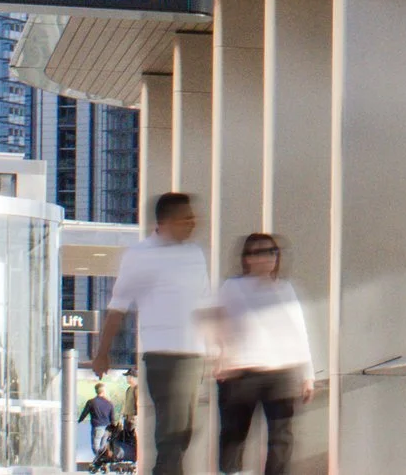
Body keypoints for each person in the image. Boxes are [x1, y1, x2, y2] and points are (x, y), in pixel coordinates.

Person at [95, 192, 210, 475]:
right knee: (171, 434)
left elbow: (204, 305)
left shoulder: (194, 254)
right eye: (187, 218)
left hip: (194, 354)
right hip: (164, 356)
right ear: (166, 221)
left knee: (183, 433)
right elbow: (118, 307)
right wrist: (102, 352)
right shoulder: (140, 255)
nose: (193, 223)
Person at [212, 232, 314, 475]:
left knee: (281, 437)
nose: (267, 258)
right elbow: (214, 322)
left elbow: (299, 331)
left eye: (271, 252)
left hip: (280, 372)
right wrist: (218, 355)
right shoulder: (232, 287)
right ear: (247, 258)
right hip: (241, 373)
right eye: (259, 252)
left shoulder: (284, 289)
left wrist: (307, 374)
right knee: (234, 434)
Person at [80, 385, 118, 471]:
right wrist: (113, 429)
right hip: (107, 429)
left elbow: (84, 413)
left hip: (97, 427)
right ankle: (103, 464)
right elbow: (112, 418)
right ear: (103, 391)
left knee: (95, 447)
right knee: (103, 447)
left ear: (96, 391)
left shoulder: (91, 402)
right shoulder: (109, 403)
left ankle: (99, 463)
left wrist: (79, 421)